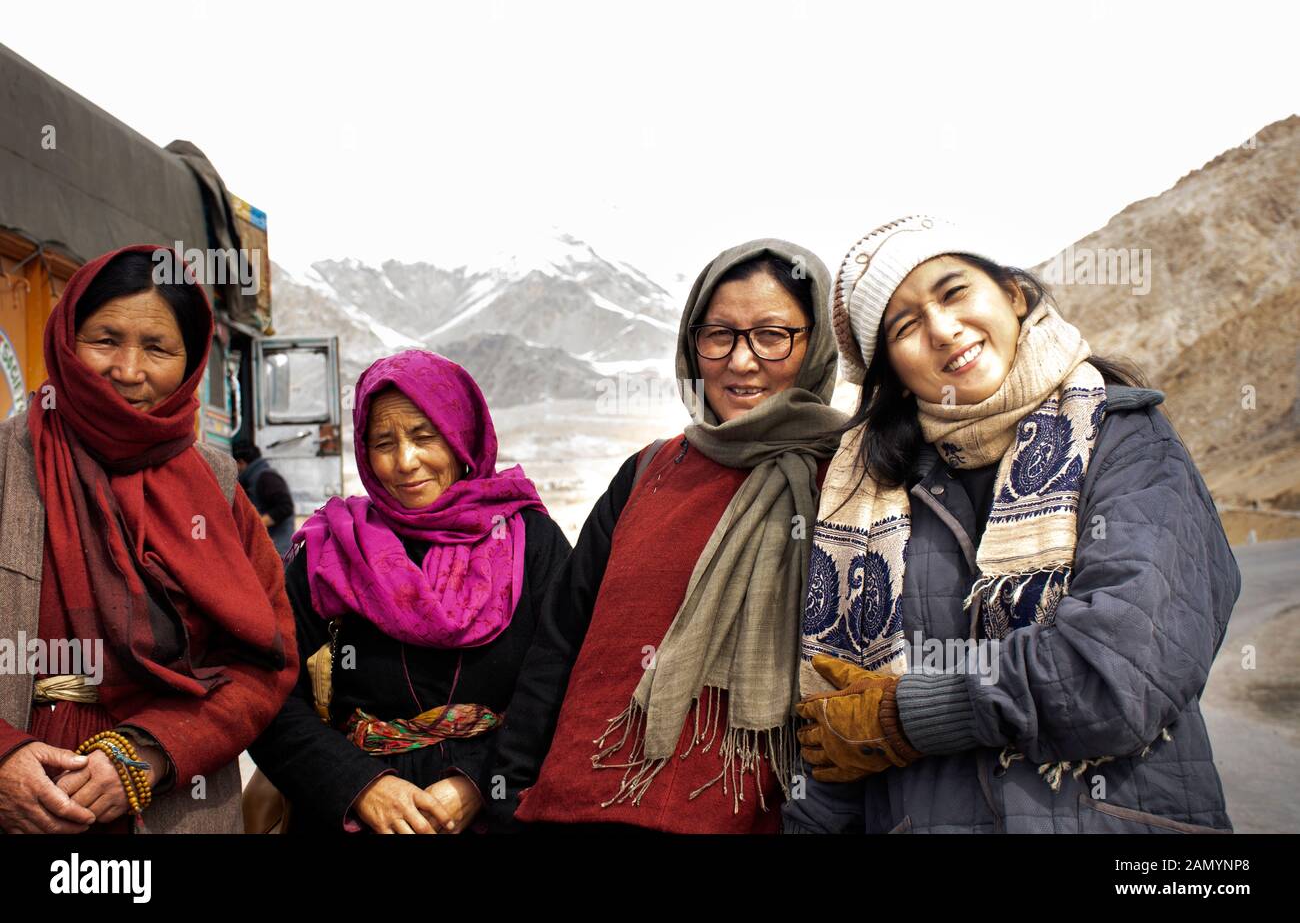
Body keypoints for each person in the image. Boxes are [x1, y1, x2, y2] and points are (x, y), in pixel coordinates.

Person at [783, 215, 1241, 834]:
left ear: (1015, 295)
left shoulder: (1125, 439)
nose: (944, 331)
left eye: (954, 293)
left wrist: (906, 717)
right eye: (906, 327)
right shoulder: (865, 497)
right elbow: (833, 731)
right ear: (889, 369)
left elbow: (1123, 670)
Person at [483, 239, 845, 833]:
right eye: (718, 334)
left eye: (773, 335)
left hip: (747, 818)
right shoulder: (648, 472)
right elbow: (560, 640)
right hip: (579, 807)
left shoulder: (849, 483)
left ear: (814, 345)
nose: (742, 360)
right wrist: (511, 789)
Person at [0, 244, 298, 834]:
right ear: (67, 338)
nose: (128, 370)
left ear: (190, 362)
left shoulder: (216, 486)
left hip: (172, 804)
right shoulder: (7, 465)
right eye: (106, 339)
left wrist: (151, 753)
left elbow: (267, 661)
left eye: (157, 347)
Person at [247, 349, 571, 833]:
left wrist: (478, 783)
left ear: (462, 435)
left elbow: (562, 681)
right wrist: (361, 785)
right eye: (383, 442)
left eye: (425, 436)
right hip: (353, 814)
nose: (405, 461)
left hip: (498, 805)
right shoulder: (331, 549)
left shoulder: (530, 541)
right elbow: (266, 690)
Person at [233, 442, 296, 557]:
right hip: (272, 550)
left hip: (278, 551)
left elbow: (285, 507)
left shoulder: (266, 477)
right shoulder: (255, 477)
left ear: (241, 462)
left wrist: (256, 525)